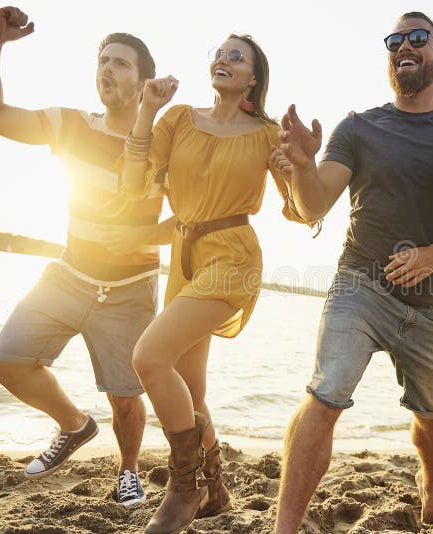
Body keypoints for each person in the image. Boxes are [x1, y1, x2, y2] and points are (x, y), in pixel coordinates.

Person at [273, 12, 433, 533]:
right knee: (325, 394)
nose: (405, 45)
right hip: (359, 286)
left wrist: (432, 255)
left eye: (419, 37)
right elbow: (313, 206)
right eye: (395, 39)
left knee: (431, 414)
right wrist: (303, 167)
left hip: (427, 305)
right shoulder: (358, 127)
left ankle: (430, 486)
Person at [0, 6, 169, 507]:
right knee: (6, 360)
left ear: (144, 83)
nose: (107, 69)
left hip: (131, 289)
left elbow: (196, 213)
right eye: (102, 60)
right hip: (69, 274)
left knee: (126, 396)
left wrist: (146, 235)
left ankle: (128, 471)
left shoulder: (166, 144)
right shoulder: (70, 124)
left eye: (120, 63)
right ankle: (74, 425)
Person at [119, 33, 310, 533]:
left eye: (236, 56)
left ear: (253, 77)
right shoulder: (178, 118)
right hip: (184, 257)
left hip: (232, 257)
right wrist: (147, 109)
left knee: (148, 358)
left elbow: (302, 211)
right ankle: (216, 487)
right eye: (218, 53)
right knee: (191, 390)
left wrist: (295, 171)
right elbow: (132, 184)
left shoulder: (268, 133)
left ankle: (184, 487)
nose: (223, 60)